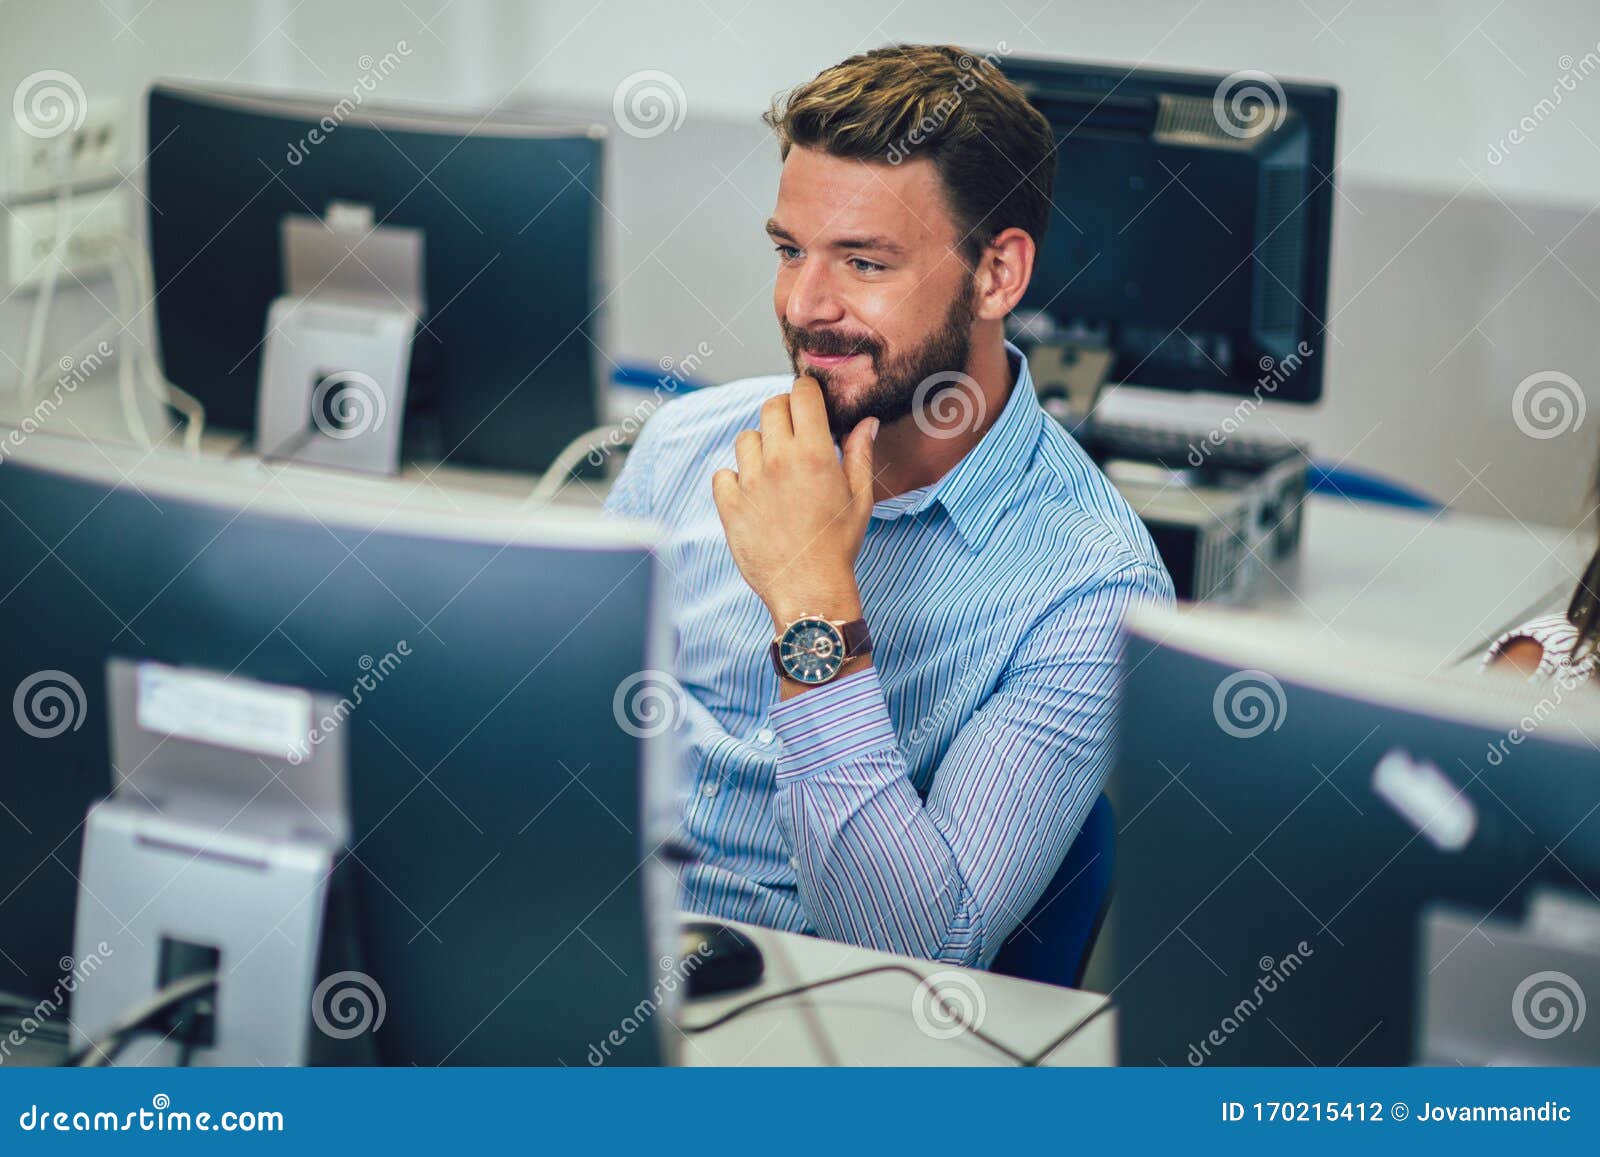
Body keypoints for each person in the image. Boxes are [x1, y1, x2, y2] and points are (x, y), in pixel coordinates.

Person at [605, 45, 1172, 968]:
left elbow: (917, 943)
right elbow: (553, 753)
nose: (804, 304)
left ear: (997, 275)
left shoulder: (1091, 586)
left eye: (863, 263)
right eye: (790, 251)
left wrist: (811, 598)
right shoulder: (683, 448)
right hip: (587, 952)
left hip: (819, 1017)